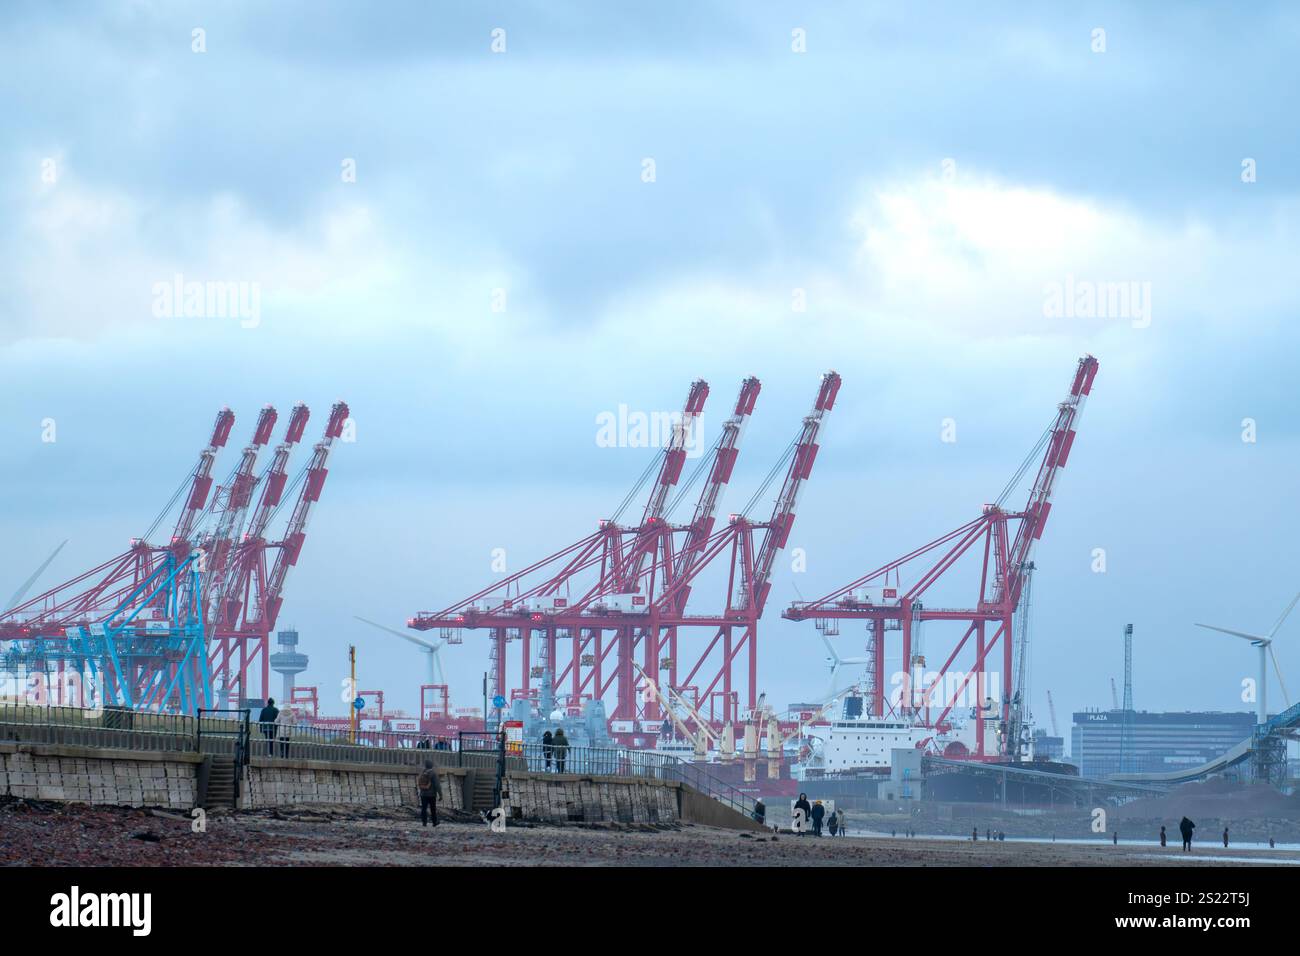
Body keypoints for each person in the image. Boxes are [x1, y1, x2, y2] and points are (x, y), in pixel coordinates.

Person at [416, 759, 439, 827]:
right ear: (432, 765)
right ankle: (434, 822)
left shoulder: (422, 772)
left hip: (423, 794)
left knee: (424, 808)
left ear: (425, 765)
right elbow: (437, 785)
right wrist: (440, 794)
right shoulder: (433, 773)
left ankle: (424, 822)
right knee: (433, 808)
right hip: (432, 794)